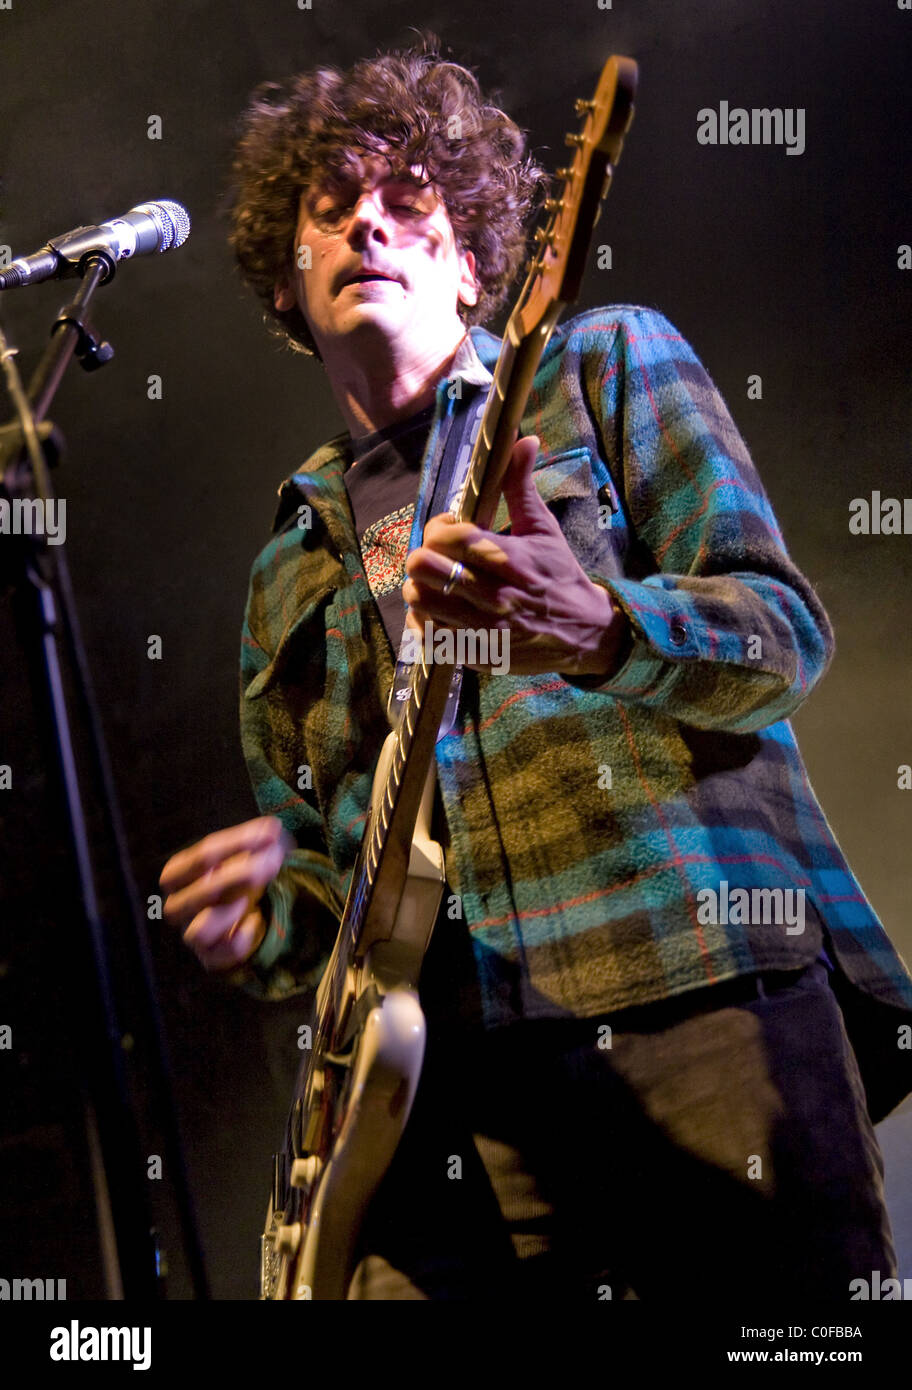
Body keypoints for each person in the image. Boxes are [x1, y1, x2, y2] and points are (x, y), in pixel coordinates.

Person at [160, 37, 912, 1301]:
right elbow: (333, 896)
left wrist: (603, 630)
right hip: (428, 1103)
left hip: (689, 996)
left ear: (471, 261)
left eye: (409, 205)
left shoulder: (598, 364)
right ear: (287, 289)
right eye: (330, 213)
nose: (368, 230)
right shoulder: (284, 567)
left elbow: (782, 635)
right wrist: (261, 921)